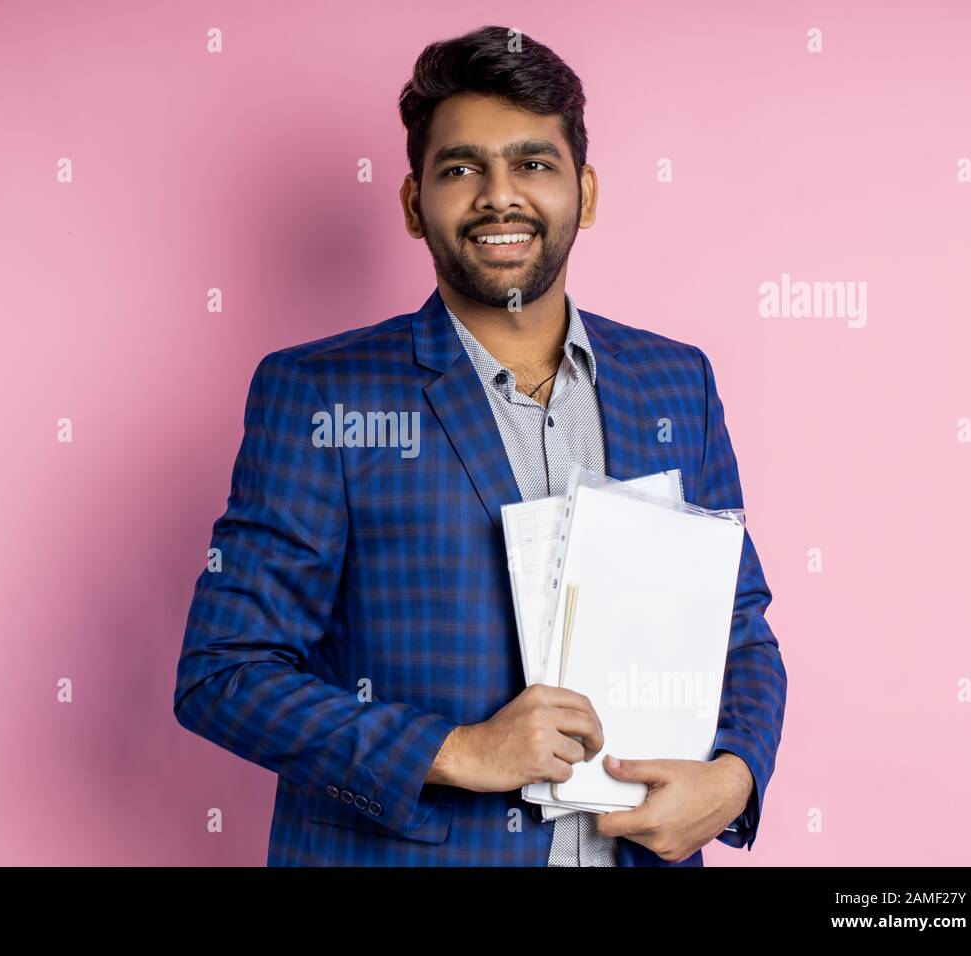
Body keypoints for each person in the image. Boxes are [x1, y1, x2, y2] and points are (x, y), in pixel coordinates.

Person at [174, 24, 786, 867]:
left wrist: (738, 775)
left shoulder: (676, 381)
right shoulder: (320, 393)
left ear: (588, 192)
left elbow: (739, 628)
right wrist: (458, 751)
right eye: (462, 169)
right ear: (412, 203)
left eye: (533, 164)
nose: (501, 195)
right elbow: (226, 673)